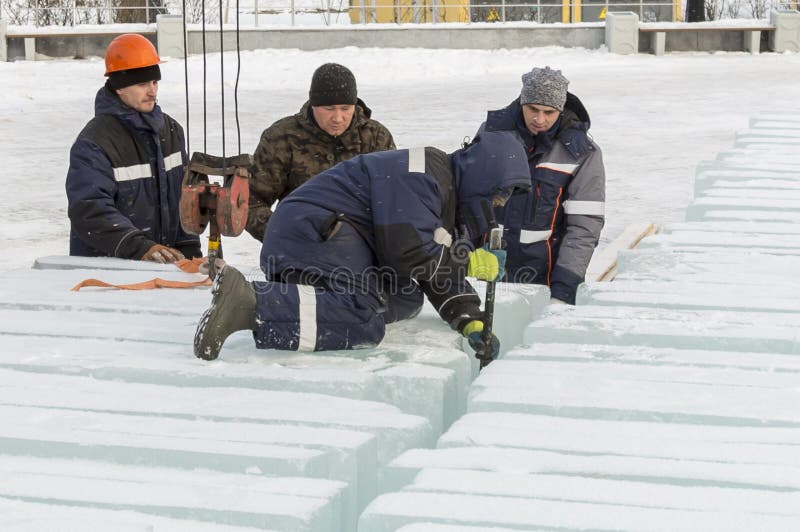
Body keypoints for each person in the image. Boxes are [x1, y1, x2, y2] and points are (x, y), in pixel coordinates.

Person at [193, 131, 531, 361]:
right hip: (312, 229)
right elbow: (410, 253)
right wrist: (469, 263)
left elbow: (432, 266)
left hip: (323, 233)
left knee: (404, 297)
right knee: (364, 320)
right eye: (498, 193)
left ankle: (302, 297)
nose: (498, 204)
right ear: (483, 176)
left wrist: (471, 319)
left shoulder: (446, 191)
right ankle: (252, 303)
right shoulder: (425, 173)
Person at [66, 33, 201, 263]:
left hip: (163, 266)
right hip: (109, 271)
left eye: (155, 82)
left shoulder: (171, 130)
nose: (152, 91)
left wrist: (190, 252)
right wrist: (139, 247)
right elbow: (89, 210)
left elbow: (181, 198)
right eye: (142, 84)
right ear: (119, 87)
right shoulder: (95, 142)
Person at [477, 66, 605, 305]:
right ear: (521, 103)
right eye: (532, 109)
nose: (539, 119)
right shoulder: (491, 135)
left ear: (561, 109)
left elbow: (584, 227)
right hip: (484, 271)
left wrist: (565, 287)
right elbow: (468, 201)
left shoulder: (582, 154)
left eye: (549, 112)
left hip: (542, 281)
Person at [246, 63, 396, 242]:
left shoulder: (376, 137)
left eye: (346, 109)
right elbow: (250, 202)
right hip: (298, 251)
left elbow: (395, 199)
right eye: (329, 109)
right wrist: (287, 233)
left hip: (363, 250)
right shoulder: (282, 137)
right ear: (313, 105)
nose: (338, 118)